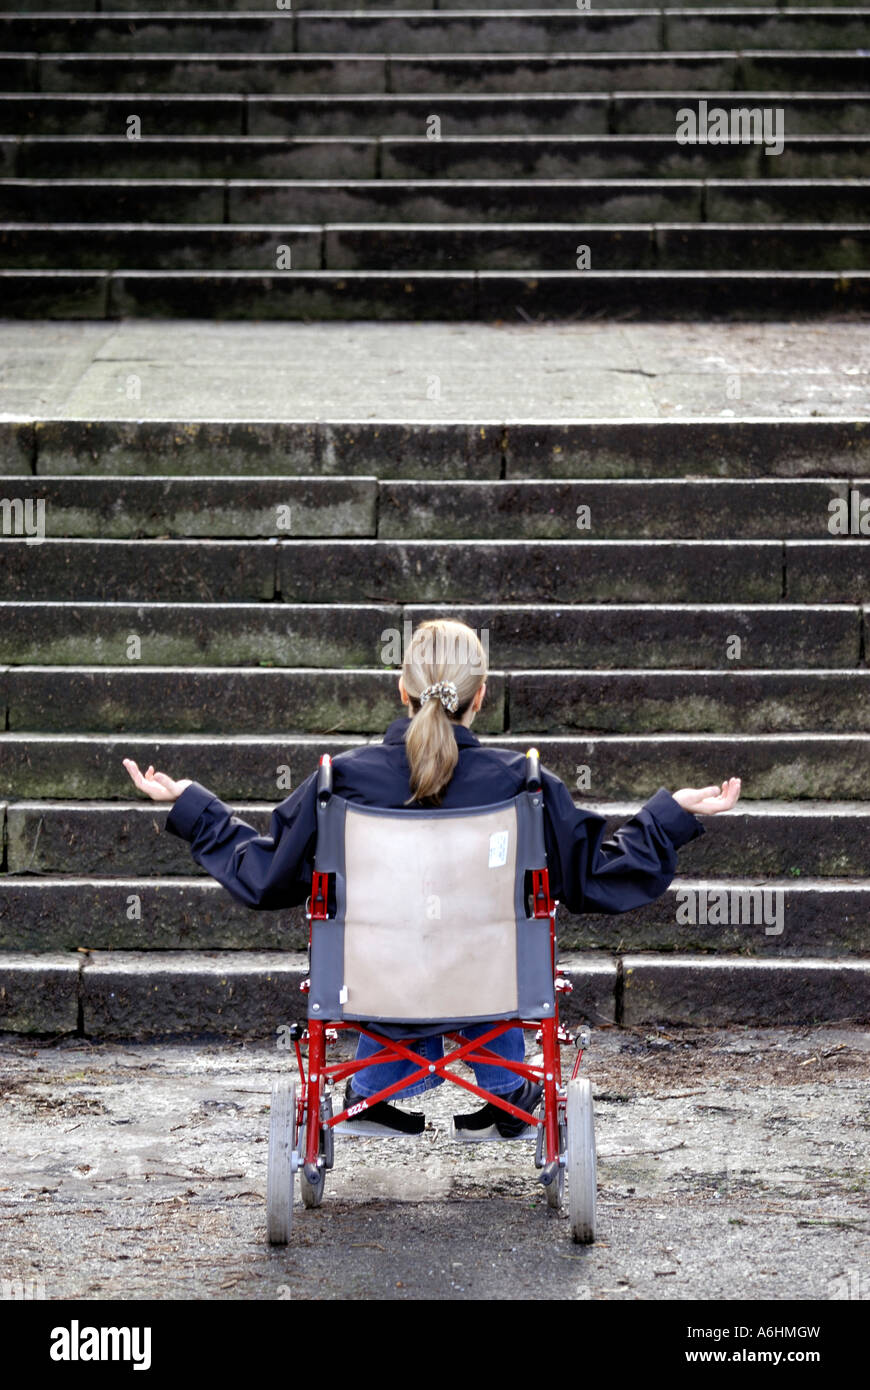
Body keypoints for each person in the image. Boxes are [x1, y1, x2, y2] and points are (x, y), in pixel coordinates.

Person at [123, 618, 741, 1139]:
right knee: (486, 943)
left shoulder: (341, 781)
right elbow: (593, 878)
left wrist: (194, 808)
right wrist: (669, 817)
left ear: (402, 690)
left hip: (377, 982)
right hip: (491, 981)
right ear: (481, 696)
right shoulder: (525, 784)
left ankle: (371, 1087)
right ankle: (509, 1088)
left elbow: (265, 877)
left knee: (411, 941)